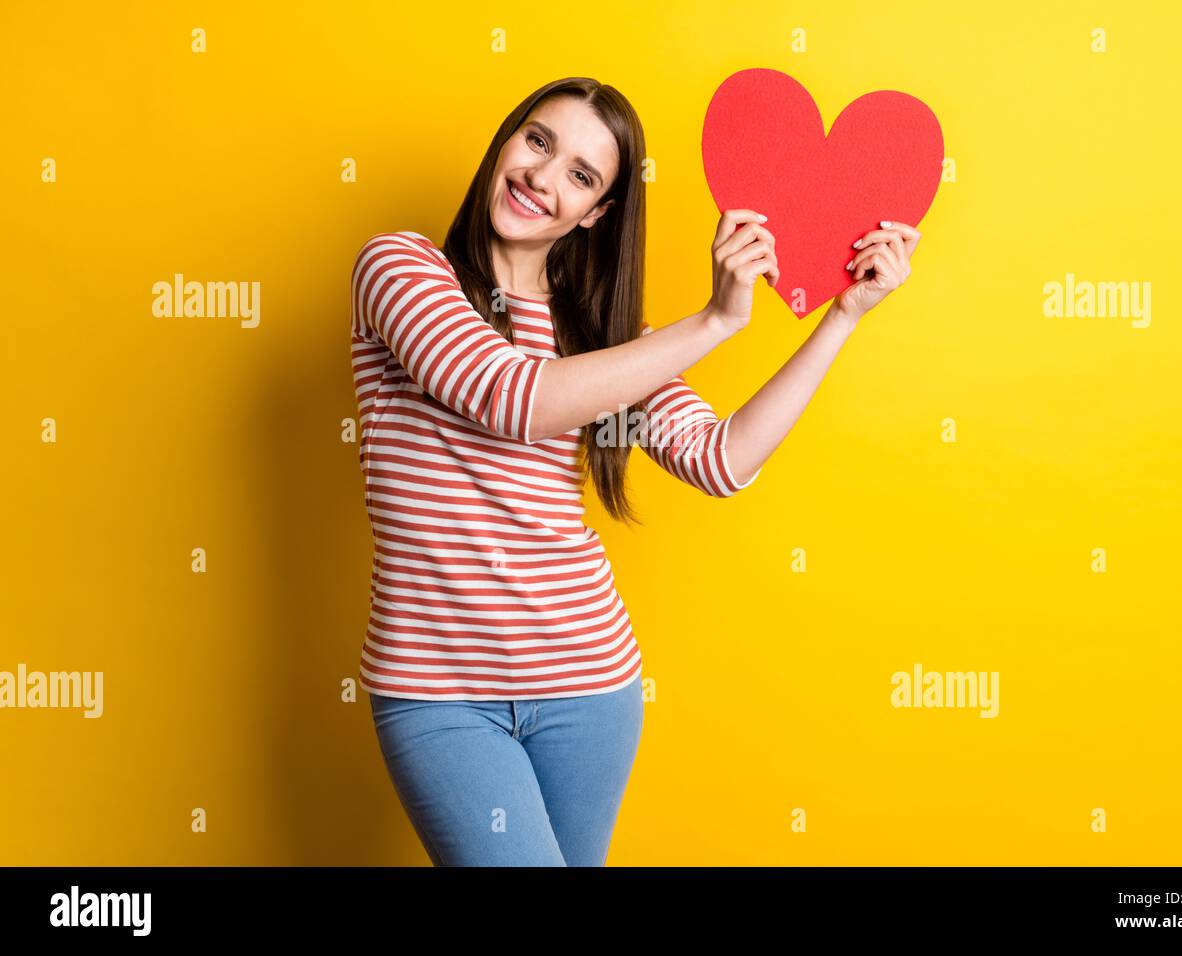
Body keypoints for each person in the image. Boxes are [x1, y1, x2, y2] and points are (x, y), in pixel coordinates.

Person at [349, 76, 921, 866]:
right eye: (538, 142)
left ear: (596, 214)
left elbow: (719, 459)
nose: (543, 179)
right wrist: (716, 320)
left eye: (582, 176)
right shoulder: (403, 270)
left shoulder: (600, 335)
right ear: (504, 142)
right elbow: (509, 397)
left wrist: (844, 316)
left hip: (590, 683)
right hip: (439, 694)